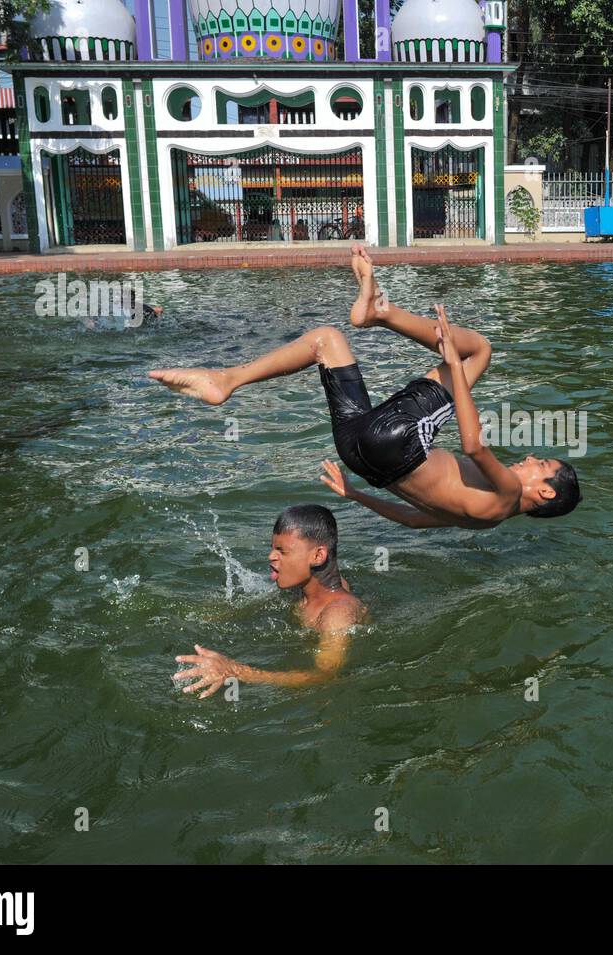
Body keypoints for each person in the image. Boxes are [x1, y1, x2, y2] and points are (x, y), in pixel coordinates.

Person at [149, 244, 581, 530]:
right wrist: (355, 493)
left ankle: (382, 312)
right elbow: (413, 519)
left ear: (543, 492)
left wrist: (450, 362)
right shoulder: (485, 520)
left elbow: (473, 445)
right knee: (325, 342)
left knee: (479, 351)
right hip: (358, 454)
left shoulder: (506, 495)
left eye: (539, 463)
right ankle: (226, 380)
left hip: (399, 442)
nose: (527, 457)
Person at [173, 505, 367, 699]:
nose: (271, 556)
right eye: (273, 548)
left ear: (317, 556)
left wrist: (235, 671)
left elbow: (324, 677)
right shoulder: (303, 589)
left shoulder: (337, 615)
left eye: (282, 551)